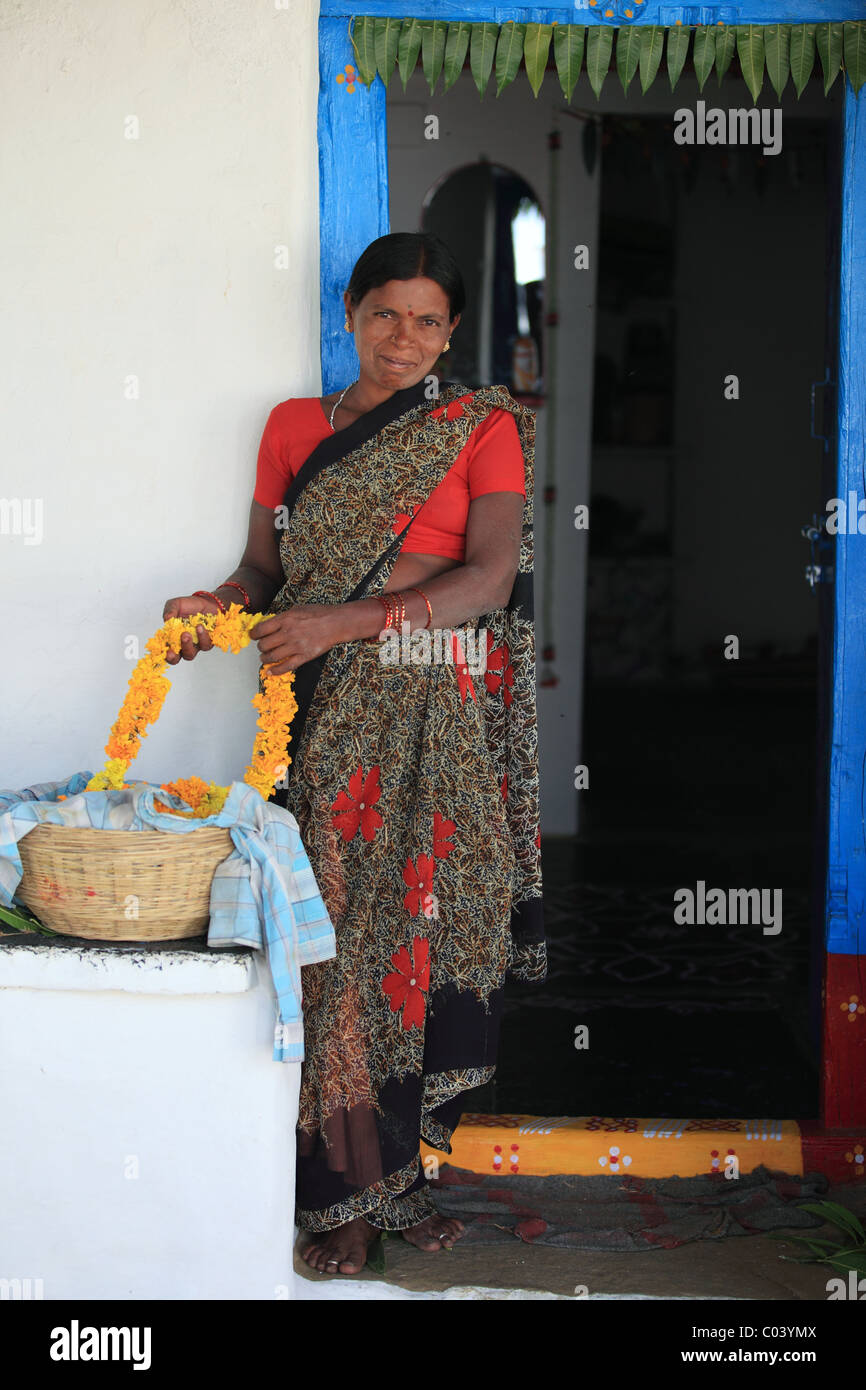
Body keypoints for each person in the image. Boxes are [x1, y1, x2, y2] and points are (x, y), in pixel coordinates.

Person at [162, 231, 546, 1276]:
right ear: (350, 314)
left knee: (420, 938)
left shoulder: (478, 426)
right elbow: (260, 568)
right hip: (321, 717)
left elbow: (488, 581)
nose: (404, 338)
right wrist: (217, 607)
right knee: (335, 947)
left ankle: (402, 1177)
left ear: (454, 331)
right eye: (385, 314)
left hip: (434, 710)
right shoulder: (293, 427)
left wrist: (344, 620)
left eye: (428, 320)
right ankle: (340, 1191)